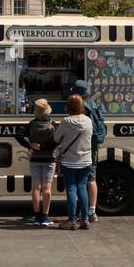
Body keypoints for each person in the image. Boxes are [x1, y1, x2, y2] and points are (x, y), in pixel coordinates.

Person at [15, 98, 57, 226]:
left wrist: (29, 146)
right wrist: (44, 147)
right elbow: (56, 142)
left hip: (35, 158)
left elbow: (18, 135)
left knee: (36, 187)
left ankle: (37, 216)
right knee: (47, 188)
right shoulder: (53, 125)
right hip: (49, 159)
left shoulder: (31, 124)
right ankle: (45, 216)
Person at [53, 95, 93, 230]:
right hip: (86, 160)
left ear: (69, 106)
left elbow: (56, 138)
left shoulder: (66, 121)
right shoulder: (88, 120)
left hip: (70, 161)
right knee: (82, 187)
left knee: (71, 188)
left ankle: (71, 220)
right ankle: (85, 219)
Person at [71, 80, 104, 222]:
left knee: (81, 181)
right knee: (91, 178)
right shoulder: (94, 105)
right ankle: (92, 211)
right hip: (93, 146)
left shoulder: (81, 106)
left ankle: (81, 212)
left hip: (82, 147)